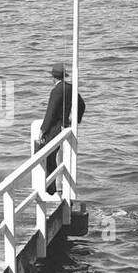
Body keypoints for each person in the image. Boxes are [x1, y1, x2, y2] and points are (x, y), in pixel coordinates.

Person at [35, 63, 85, 195]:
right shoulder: (70, 88)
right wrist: (75, 120)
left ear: (53, 78)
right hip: (65, 126)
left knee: (48, 156)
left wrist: (43, 130)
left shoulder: (56, 91)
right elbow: (82, 105)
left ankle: (50, 189)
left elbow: (50, 112)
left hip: (55, 128)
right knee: (56, 156)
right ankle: (56, 187)